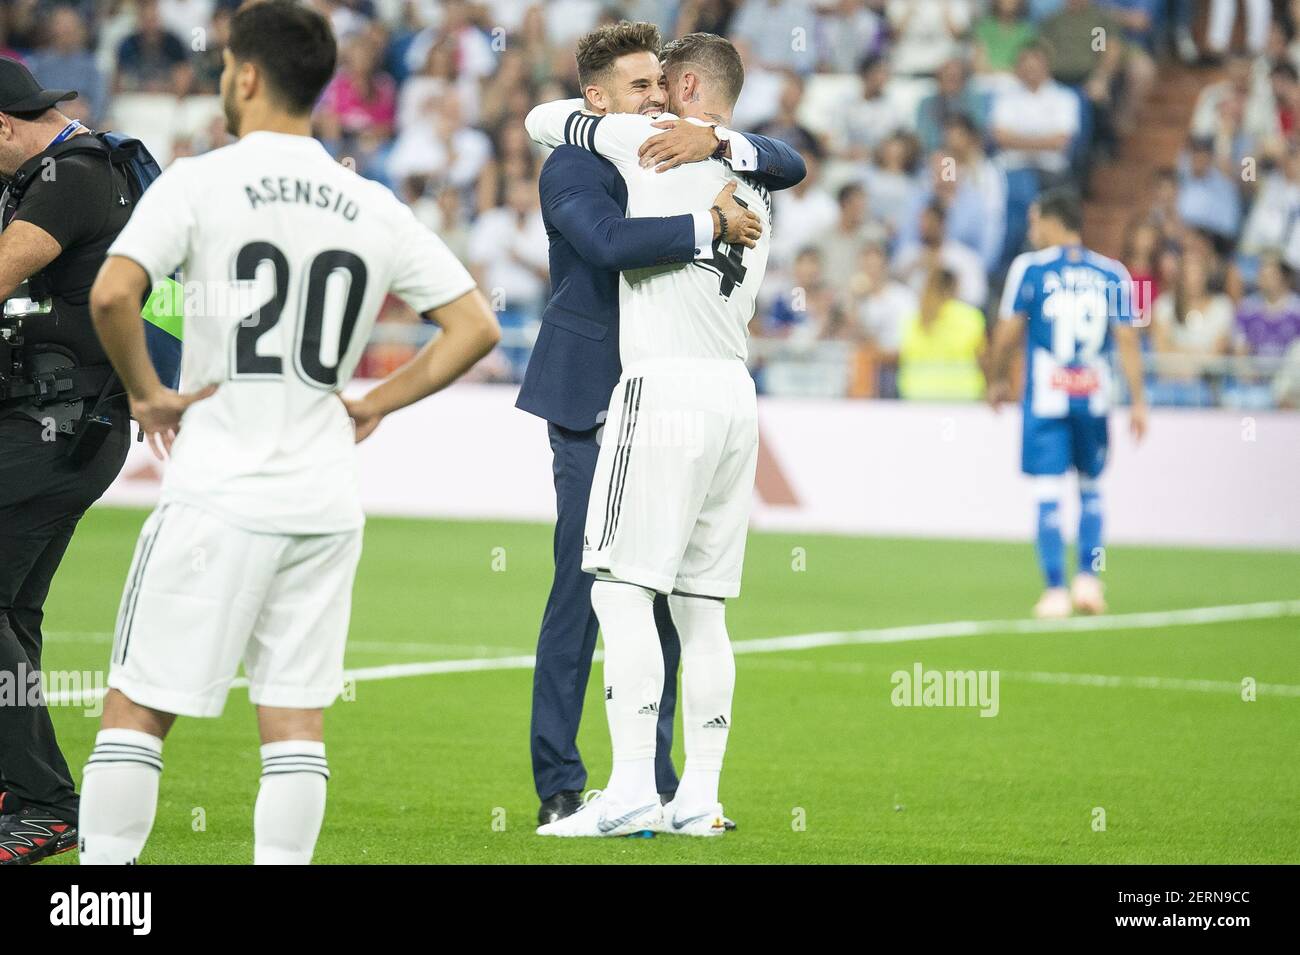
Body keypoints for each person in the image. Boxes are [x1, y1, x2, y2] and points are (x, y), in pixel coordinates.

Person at [76, 0, 499, 865]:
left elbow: (113, 293)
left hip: (219, 490)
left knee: (138, 706)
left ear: (248, 75)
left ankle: (102, 895)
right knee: (294, 718)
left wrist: (149, 394)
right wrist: (378, 400)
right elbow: (474, 326)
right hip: (322, 499)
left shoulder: (200, 179)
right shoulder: (367, 199)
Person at [515, 19, 804, 827]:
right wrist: (710, 216)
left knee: (658, 595)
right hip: (595, 397)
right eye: (636, 87)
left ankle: (659, 783)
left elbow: (785, 157)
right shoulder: (580, 159)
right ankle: (563, 779)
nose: (652, 102)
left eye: (659, 84)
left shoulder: (701, 153)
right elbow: (604, 241)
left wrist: (715, 135)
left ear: (685, 91)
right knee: (587, 588)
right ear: (601, 98)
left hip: (663, 393)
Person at [0, 57, 138, 865]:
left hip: (58, 424)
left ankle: (47, 803)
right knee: (11, 610)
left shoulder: (70, 176)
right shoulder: (99, 167)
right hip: (72, 423)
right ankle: (26, 790)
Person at [986, 189, 1148, 619]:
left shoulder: (1030, 268)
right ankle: (1090, 582)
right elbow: (1128, 338)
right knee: (1092, 490)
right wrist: (1138, 402)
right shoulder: (1113, 272)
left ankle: (1055, 589)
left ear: (1057, 222)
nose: (1032, 230)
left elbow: (1007, 332)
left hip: (1046, 399)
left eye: (1037, 221)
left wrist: (997, 378)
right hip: (1094, 398)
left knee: (1047, 491)